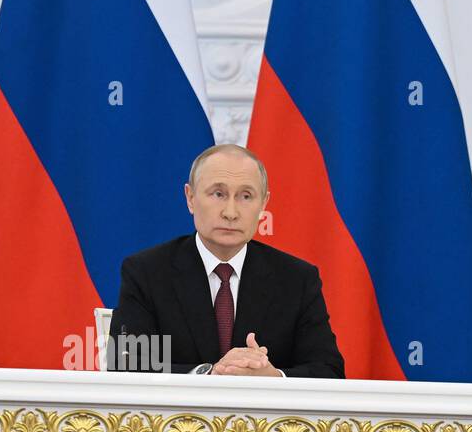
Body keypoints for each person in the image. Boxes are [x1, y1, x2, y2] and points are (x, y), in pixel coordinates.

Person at [107, 143, 345, 378]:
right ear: (190, 198)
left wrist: (274, 378)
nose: (230, 212)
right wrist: (210, 373)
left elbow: (329, 371)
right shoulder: (147, 272)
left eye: (245, 196)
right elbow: (127, 364)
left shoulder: (297, 279)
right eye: (218, 194)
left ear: (263, 204)